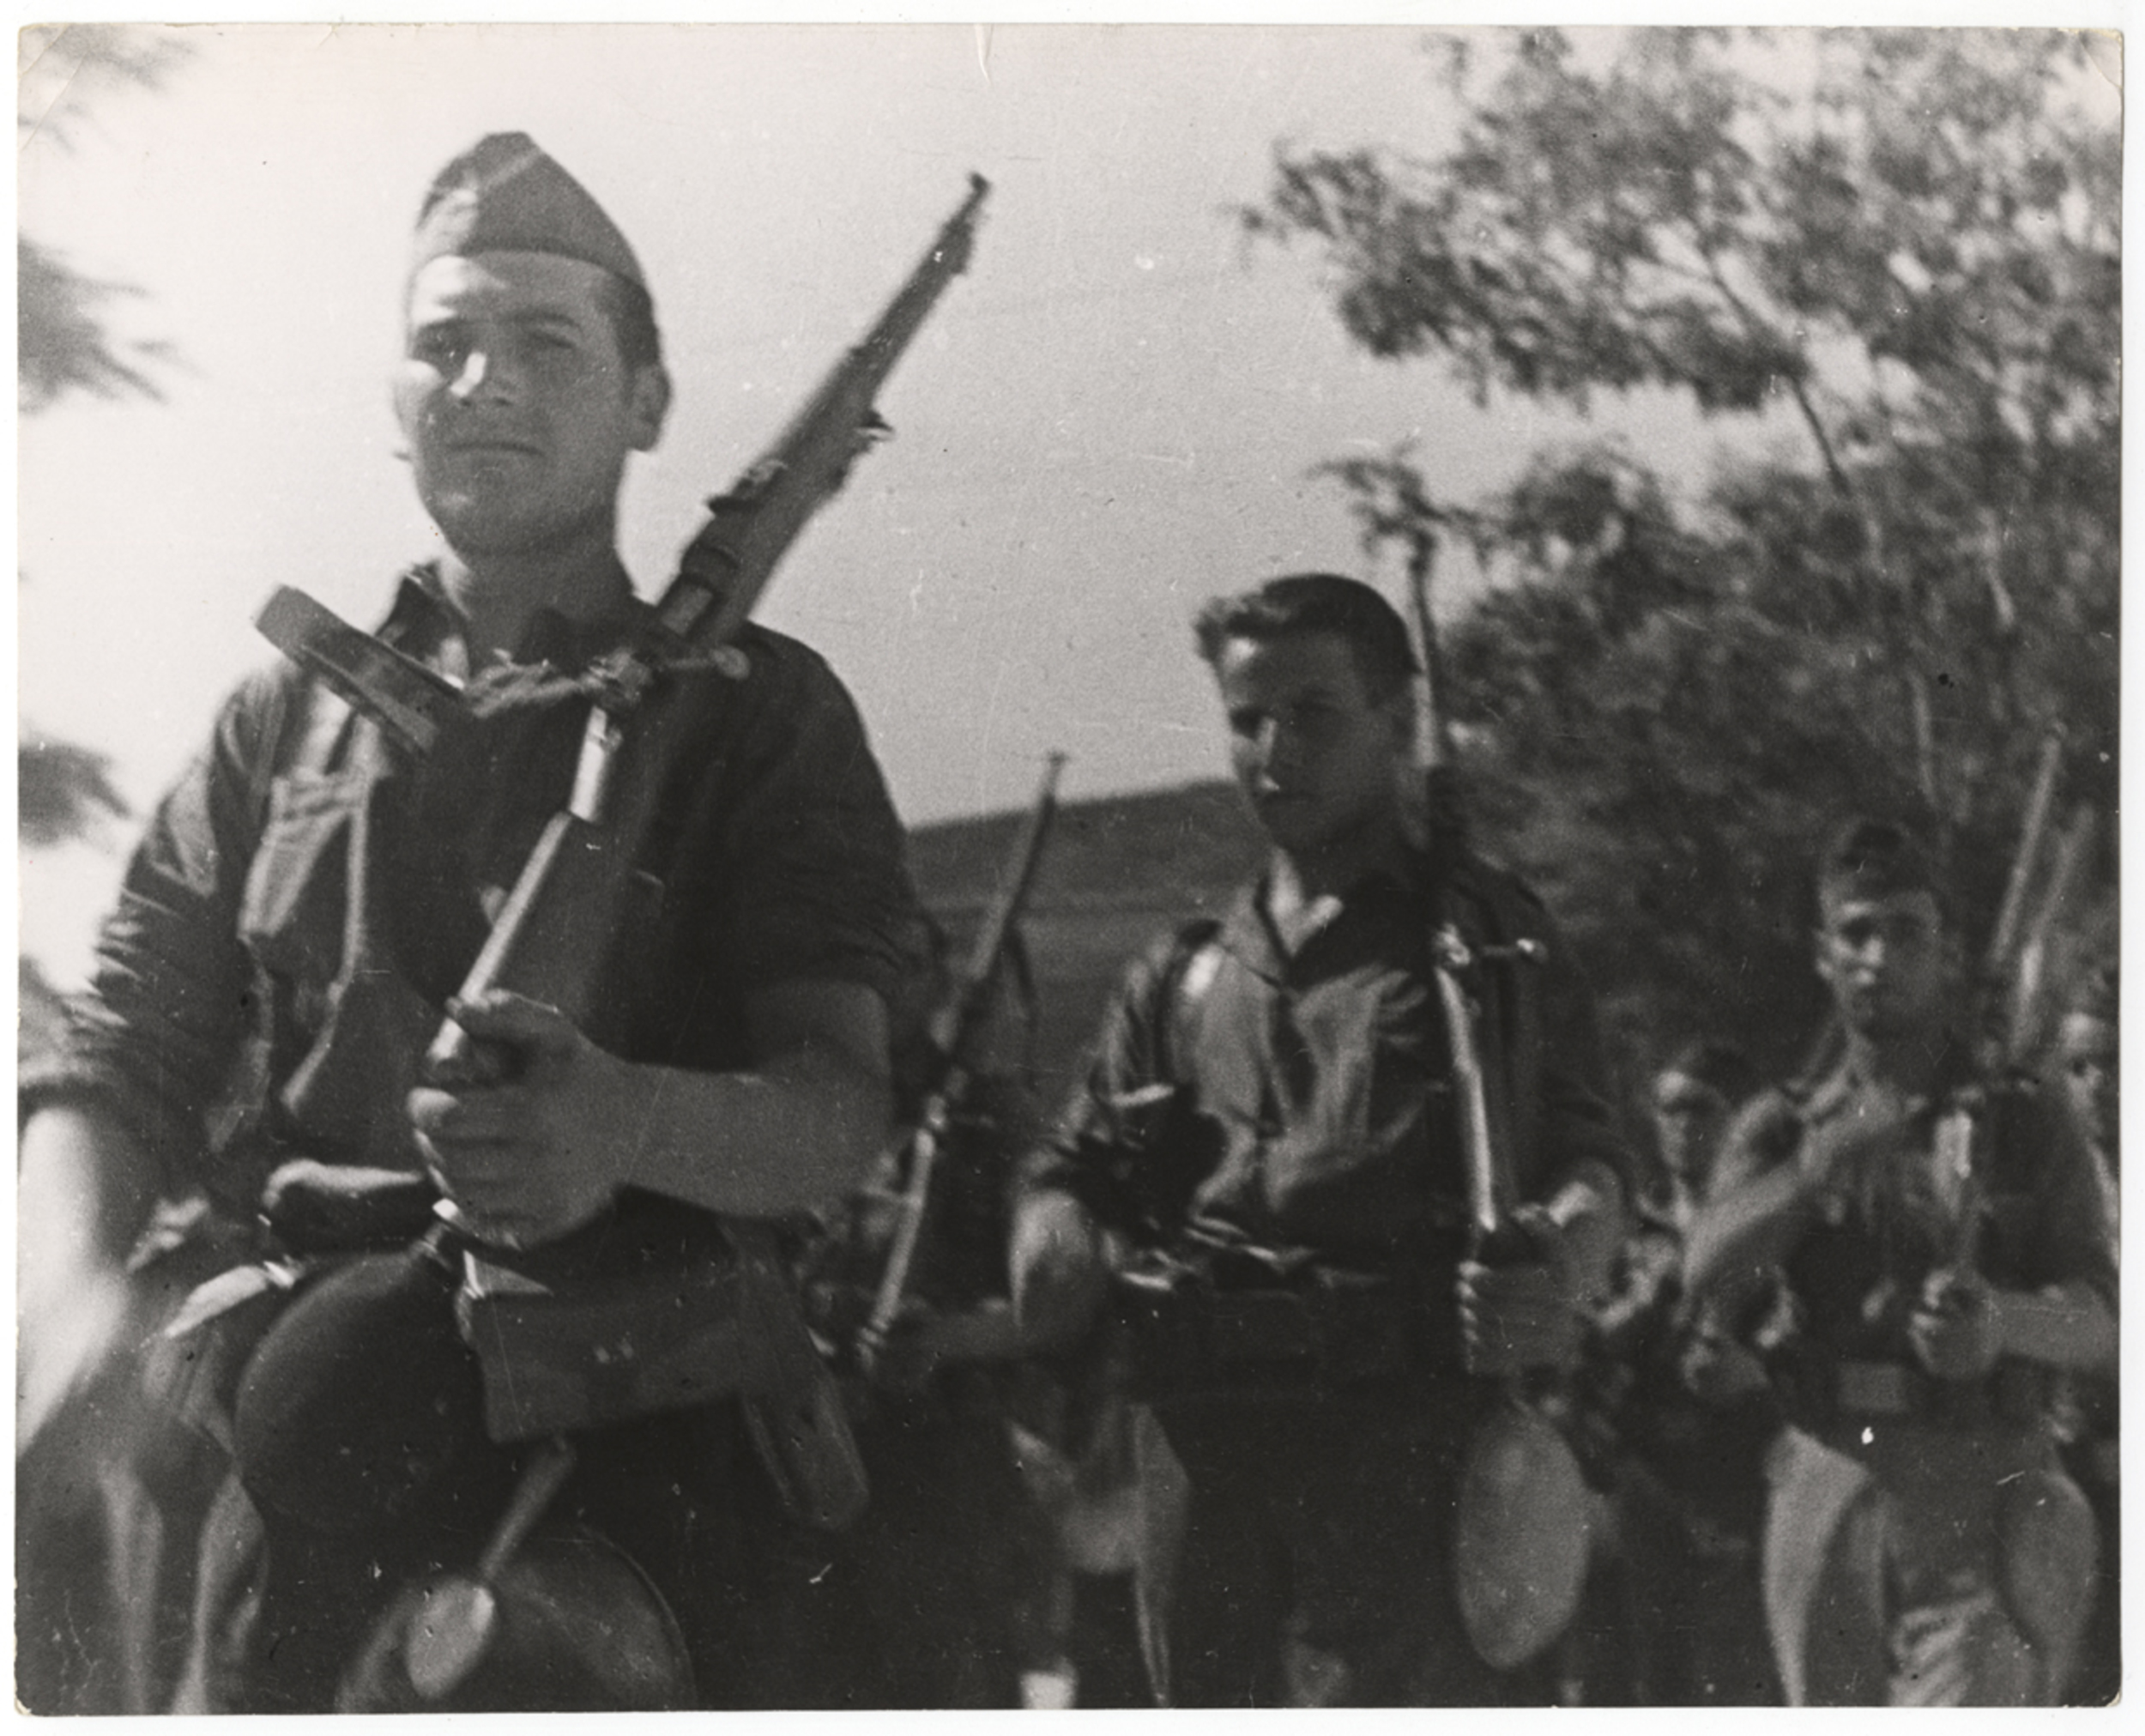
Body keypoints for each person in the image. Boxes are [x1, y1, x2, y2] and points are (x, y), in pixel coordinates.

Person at [16, 132, 917, 1713]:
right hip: (286, 1435)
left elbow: (840, 1103)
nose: (484, 382)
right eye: (444, 344)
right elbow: (123, 1047)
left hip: (627, 1472)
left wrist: (623, 1122)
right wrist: (60, 1294)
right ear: (393, 398)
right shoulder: (278, 720)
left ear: (648, 402)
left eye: (546, 344)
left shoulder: (756, 715)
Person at [1008, 572, 1634, 1707]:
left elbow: (1588, 1161)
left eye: (1312, 715)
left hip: (1403, 1449)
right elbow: (1071, 1172)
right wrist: (1057, 1234)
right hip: (1200, 1441)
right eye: (1246, 719)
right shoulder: (1187, 973)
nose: (1272, 751)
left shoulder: (1478, 946)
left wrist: (1559, 1261)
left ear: (1397, 721)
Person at [1683, 817, 2117, 1707]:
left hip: (1982, 1481)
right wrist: (1816, 1171)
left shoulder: (2024, 1118)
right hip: (1826, 1480)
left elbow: (2098, 1320)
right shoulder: (1782, 1124)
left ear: (1948, 951)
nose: (1879, 956)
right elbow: (1705, 1277)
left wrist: (2000, 1321)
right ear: (1822, 953)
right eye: (1857, 932)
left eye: (1907, 931)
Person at [1580, 1038, 1782, 1704]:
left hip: (1743, 1479)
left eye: (1700, 1108)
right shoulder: (1631, 1227)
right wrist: (1645, 1303)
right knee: (1640, 1679)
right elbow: (1586, 1340)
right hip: (1644, 1478)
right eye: (1667, 1109)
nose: (1680, 1126)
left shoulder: (1773, 1225)